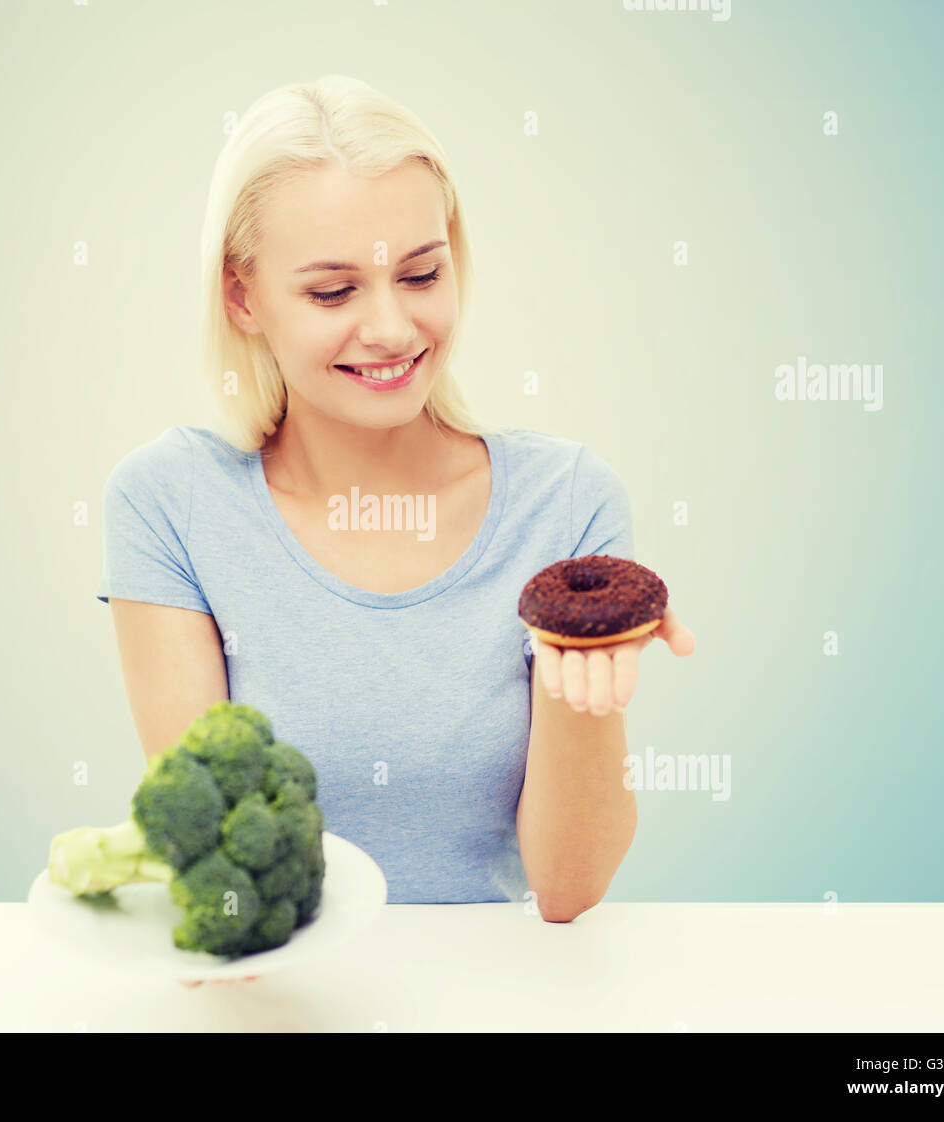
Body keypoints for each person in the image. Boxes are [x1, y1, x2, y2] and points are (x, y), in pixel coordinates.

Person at [95, 77, 695, 988]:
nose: (391, 327)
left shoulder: (565, 501)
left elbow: (568, 890)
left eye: (421, 273)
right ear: (244, 299)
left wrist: (584, 680)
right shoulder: (169, 504)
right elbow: (215, 858)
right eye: (333, 290)